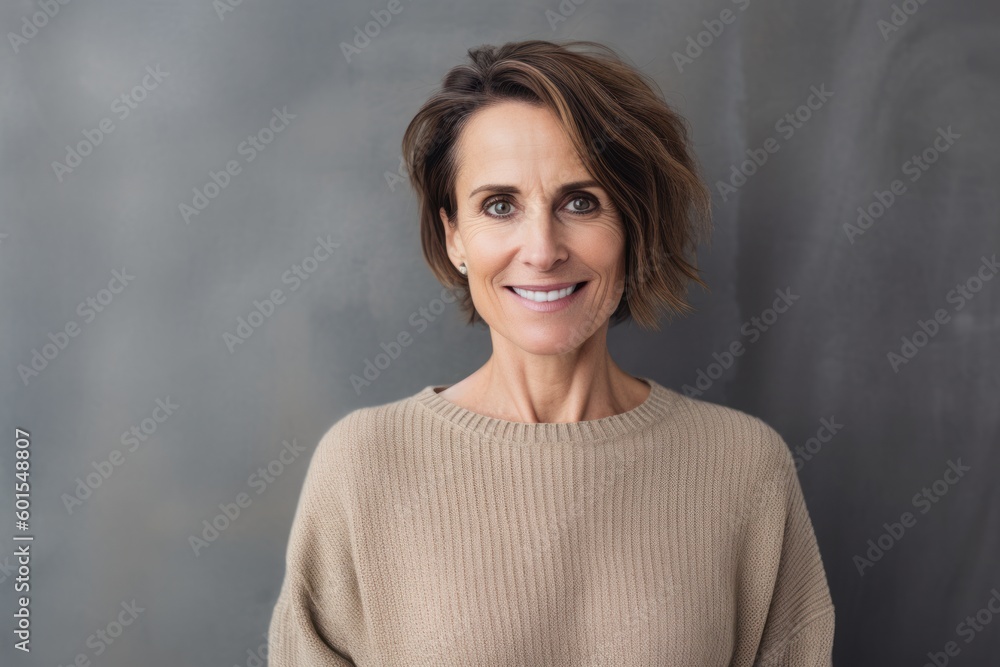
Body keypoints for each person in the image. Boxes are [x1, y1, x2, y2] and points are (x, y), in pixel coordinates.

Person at [268, 39, 835, 666]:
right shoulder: (363, 465)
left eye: (581, 202)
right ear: (454, 236)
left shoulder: (744, 467)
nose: (542, 250)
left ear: (632, 226)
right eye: (499, 205)